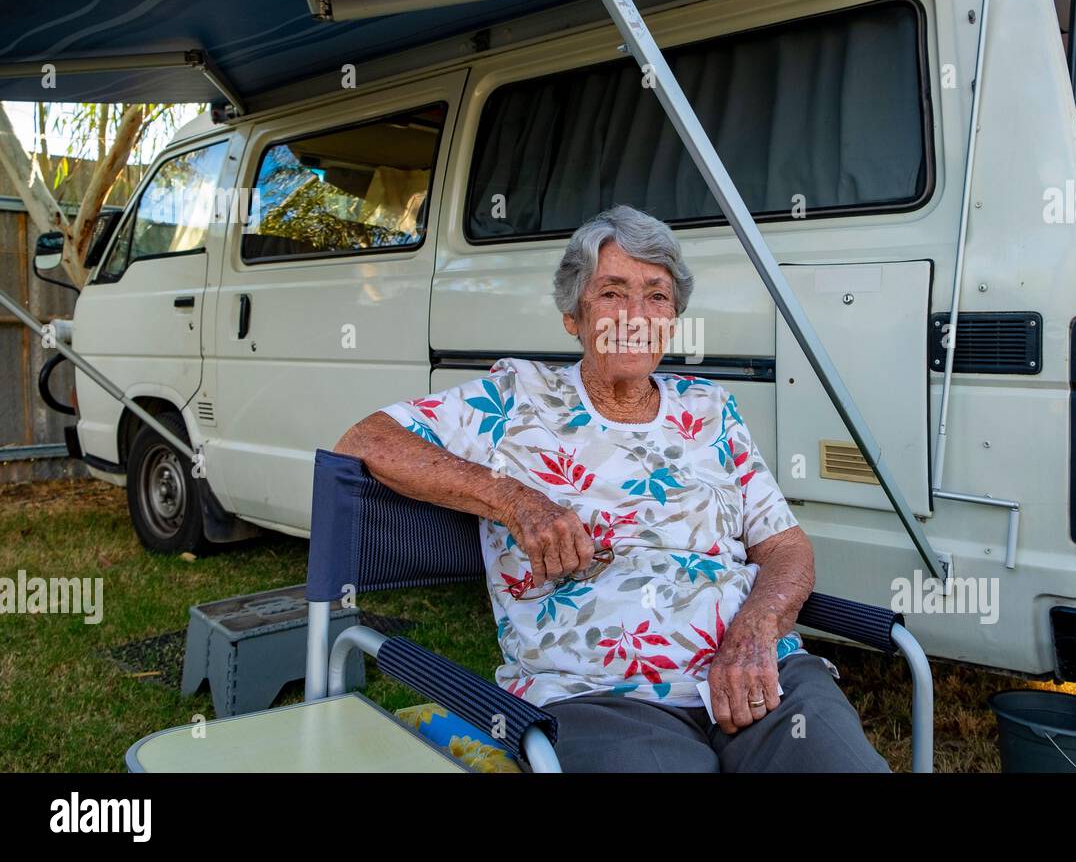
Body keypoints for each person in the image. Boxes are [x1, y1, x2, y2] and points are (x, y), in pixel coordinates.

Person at [335, 204, 890, 772]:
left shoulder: (711, 409)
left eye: (656, 296)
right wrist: (515, 500)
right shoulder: (514, 399)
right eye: (611, 293)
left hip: (753, 674)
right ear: (573, 315)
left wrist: (756, 629)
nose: (635, 315)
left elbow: (786, 547)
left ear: (672, 318)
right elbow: (367, 440)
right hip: (599, 694)